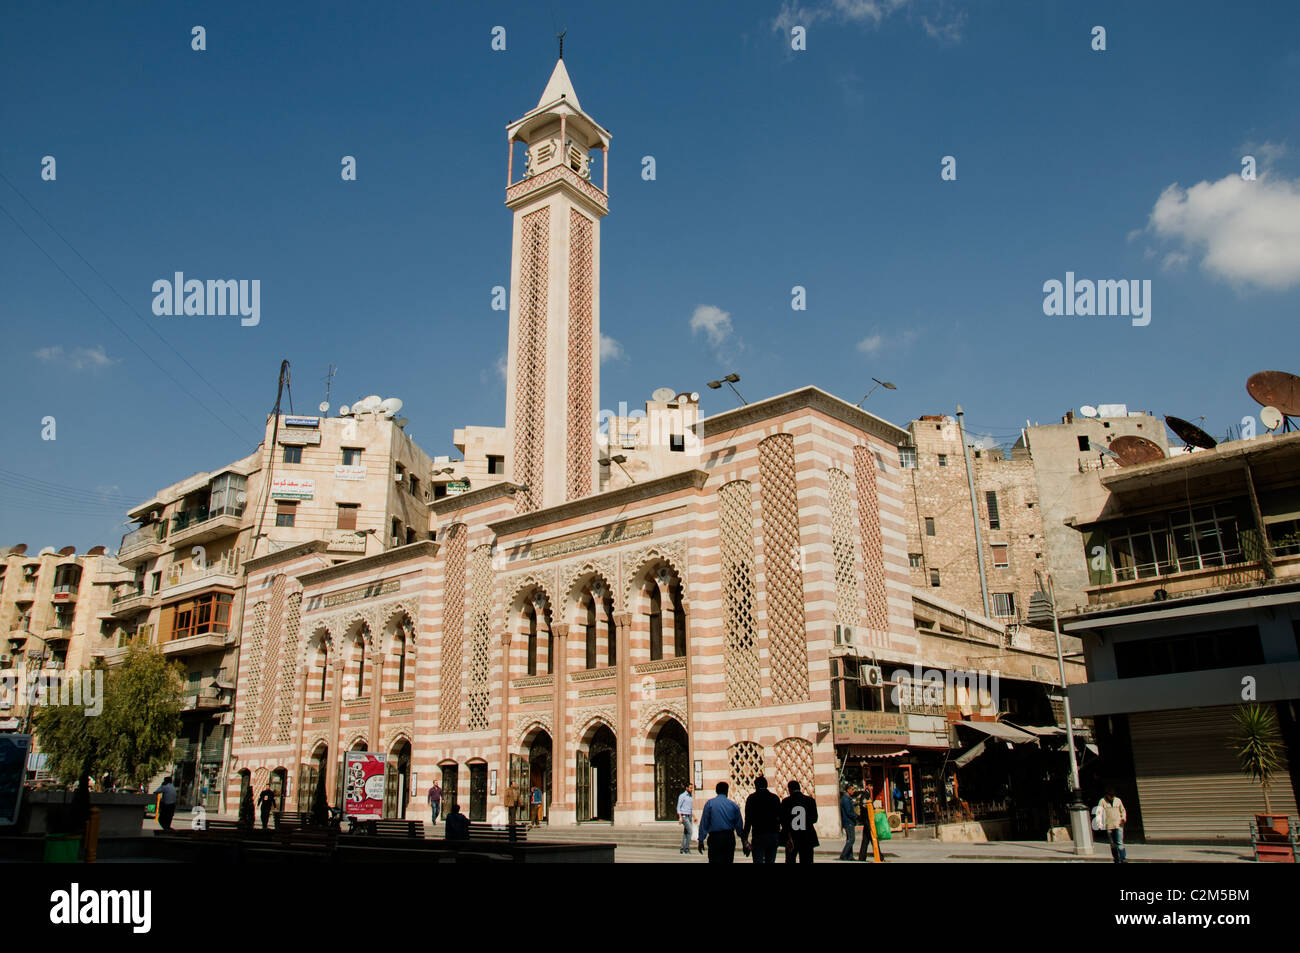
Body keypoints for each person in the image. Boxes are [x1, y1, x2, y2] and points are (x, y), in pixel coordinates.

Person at [697, 781, 743, 863]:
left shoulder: (710, 804)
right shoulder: (733, 805)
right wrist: (744, 840)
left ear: (716, 791)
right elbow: (739, 825)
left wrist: (701, 840)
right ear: (727, 791)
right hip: (728, 838)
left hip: (715, 838)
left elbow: (704, 823)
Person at [742, 776, 782, 863]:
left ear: (755, 786)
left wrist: (744, 840)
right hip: (773, 834)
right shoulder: (775, 798)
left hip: (758, 835)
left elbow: (748, 821)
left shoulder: (751, 798)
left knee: (758, 860)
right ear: (766, 785)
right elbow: (780, 818)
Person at [780, 780, 819, 863]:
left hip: (792, 836)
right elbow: (814, 819)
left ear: (789, 789)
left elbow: (783, 821)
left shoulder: (786, 802)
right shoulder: (810, 800)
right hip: (807, 836)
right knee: (807, 860)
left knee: (790, 860)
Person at [1099, 787, 1127, 863]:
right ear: (1107, 795)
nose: (1111, 797)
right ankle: (1116, 859)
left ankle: (1123, 858)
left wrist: (1123, 817)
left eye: (1112, 796)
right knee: (1112, 844)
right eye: (1110, 796)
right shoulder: (1102, 801)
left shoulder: (1118, 800)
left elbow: (1123, 810)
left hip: (1118, 824)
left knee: (1120, 842)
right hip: (1109, 825)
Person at [838, 784, 859, 861]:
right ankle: (843, 855)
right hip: (848, 821)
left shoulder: (847, 798)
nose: (853, 791)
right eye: (852, 789)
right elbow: (848, 812)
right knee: (851, 839)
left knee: (849, 839)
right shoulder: (846, 799)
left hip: (849, 821)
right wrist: (856, 816)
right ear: (848, 790)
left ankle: (850, 856)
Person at [676, 784, 695, 854]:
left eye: (692, 788)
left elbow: (690, 808)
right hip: (684, 816)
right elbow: (678, 807)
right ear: (686, 788)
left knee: (686, 833)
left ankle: (682, 848)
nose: (691, 789)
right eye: (690, 788)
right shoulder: (682, 796)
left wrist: (694, 816)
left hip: (689, 815)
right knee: (690, 831)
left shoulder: (690, 796)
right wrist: (680, 817)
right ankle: (687, 848)